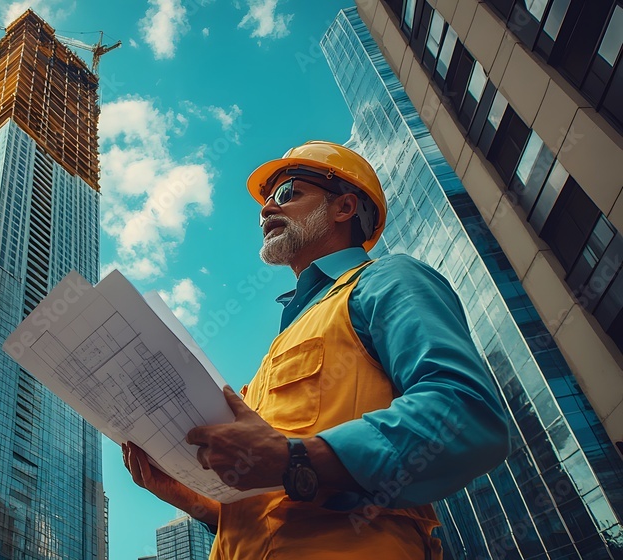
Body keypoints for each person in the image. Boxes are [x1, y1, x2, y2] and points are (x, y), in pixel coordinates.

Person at [122, 141, 510, 559]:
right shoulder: (279, 347)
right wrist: (192, 498)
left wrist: (296, 457)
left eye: (287, 193)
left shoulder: (386, 281)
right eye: (266, 201)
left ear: (344, 207)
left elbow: (467, 413)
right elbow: (275, 501)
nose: (268, 208)